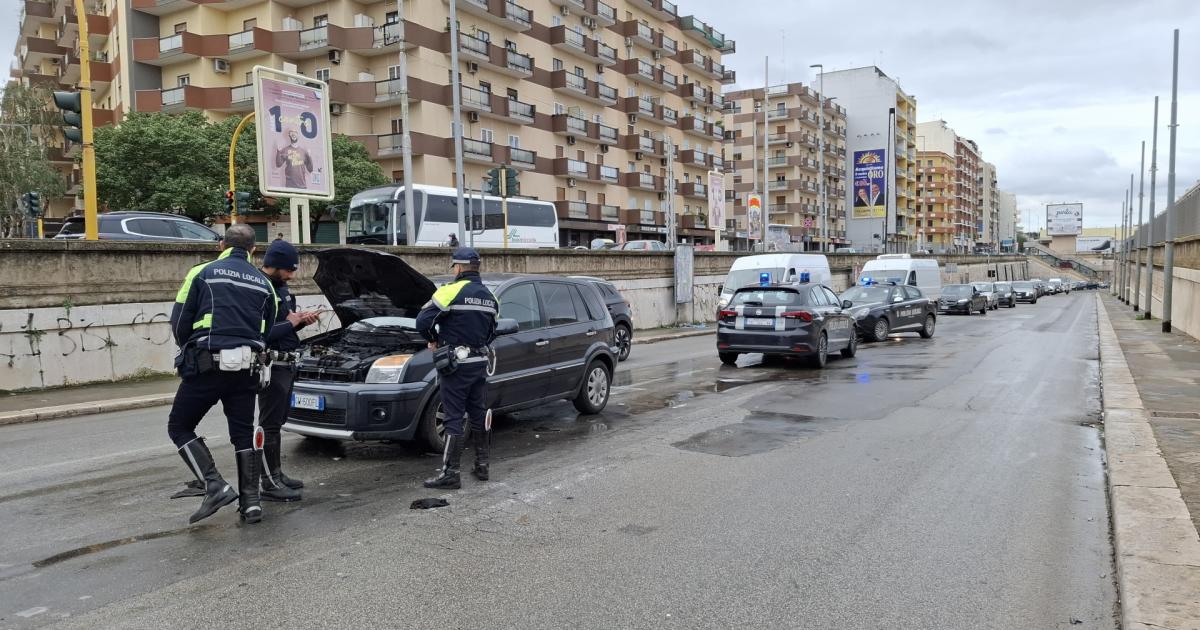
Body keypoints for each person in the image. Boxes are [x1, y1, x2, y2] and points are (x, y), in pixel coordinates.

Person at [167, 224, 278, 524]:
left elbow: (179, 322)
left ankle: (214, 484)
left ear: (221, 246)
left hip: (207, 364)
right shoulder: (264, 284)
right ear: (254, 250)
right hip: (247, 368)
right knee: (243, 434)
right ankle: (251, 504)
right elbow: (266, 330)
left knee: (179, 426)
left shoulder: (201, 272)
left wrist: (190, 349)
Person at [414, 247, 499, 489]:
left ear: (459, 267)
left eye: (455, 267)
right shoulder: (490, 297)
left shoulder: (449, 291)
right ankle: (482, 466)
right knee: (477, 413)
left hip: (456, 364)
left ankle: (451, 473)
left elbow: (423, 321)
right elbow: (492, 330)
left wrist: (433, 339)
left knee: (453, 417)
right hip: (479, 363)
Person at [258, 240, 320, 502]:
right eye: (288, 270)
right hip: (270, 365)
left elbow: (284, 328)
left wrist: (299, 322)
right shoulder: (260, 290)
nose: (292, 275)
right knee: (268, 425)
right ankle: (268, 483)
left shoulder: (283, 290)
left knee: (278, 423)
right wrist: (290, 322)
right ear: (273, 264)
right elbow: (259, 334)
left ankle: (276, 474)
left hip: (287, 363)